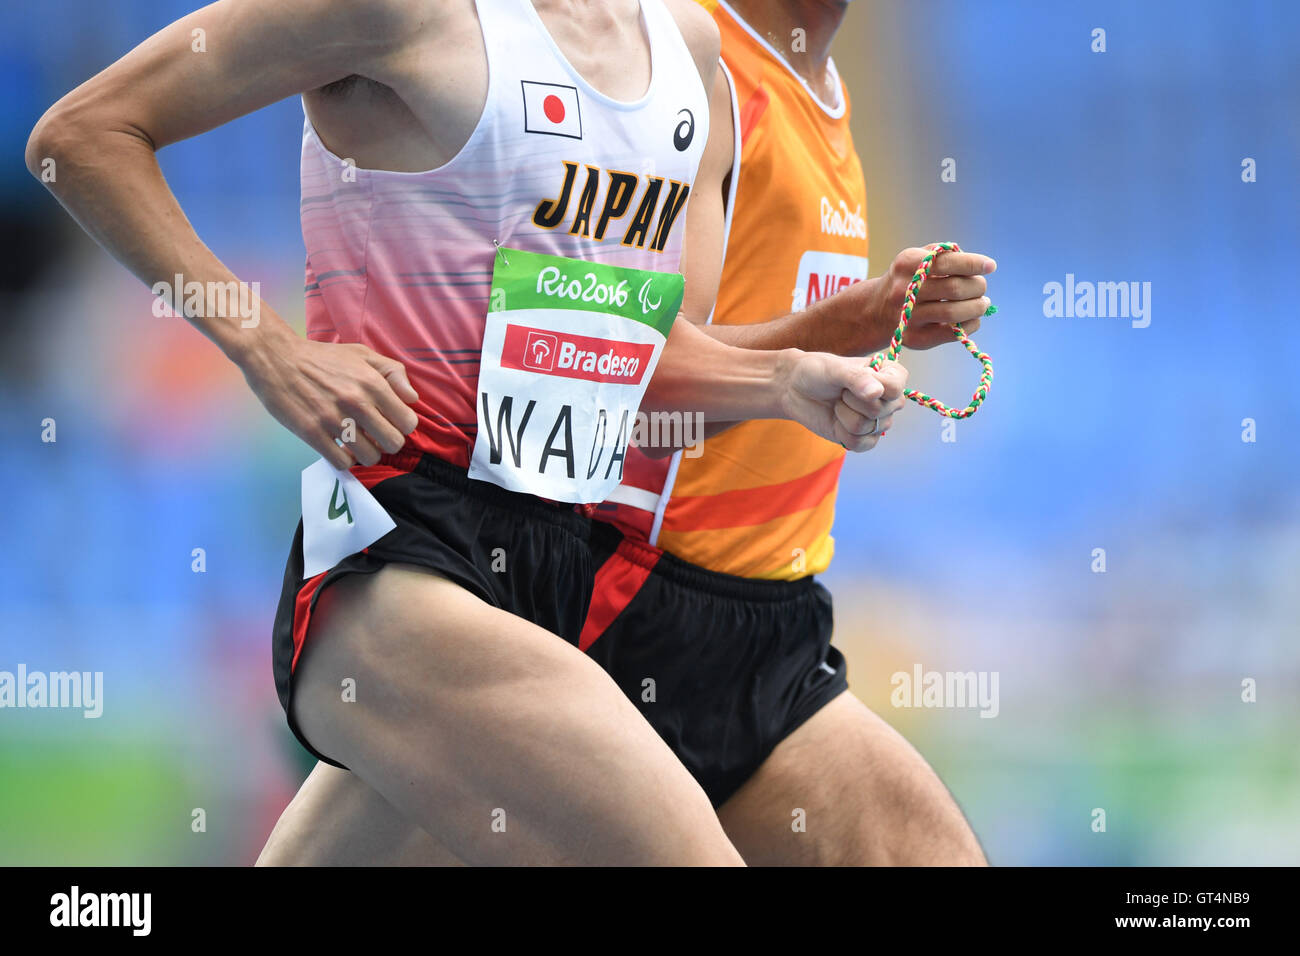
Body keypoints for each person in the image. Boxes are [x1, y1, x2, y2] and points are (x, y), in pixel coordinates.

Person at [27, 0, 909, 865]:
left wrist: (790, 380)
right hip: (400, 557)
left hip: (563, 576)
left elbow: (643, 351)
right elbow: (82, 136)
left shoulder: (685, 48)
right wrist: (266, 346)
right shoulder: (404, 14)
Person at [254, 1, 993, 865]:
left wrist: (855, 326)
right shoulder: (679, 57)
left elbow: (622, 344)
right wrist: (841, 332)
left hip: (764, 625)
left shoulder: (814, 84)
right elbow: (622, 363)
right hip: (622, 592)